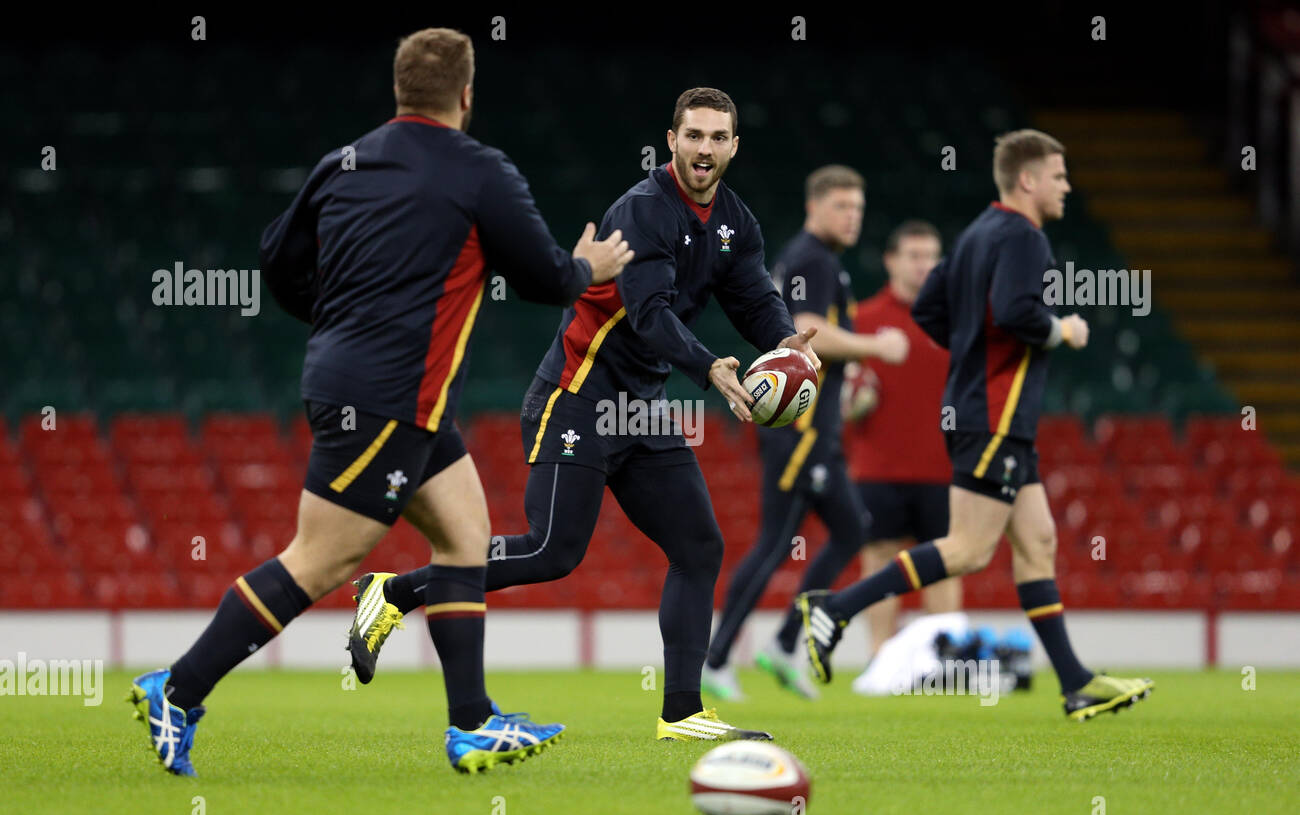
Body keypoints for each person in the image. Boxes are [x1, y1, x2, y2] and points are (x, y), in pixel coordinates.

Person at [128, 26, 633, 775]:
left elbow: (278, 258)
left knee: (465, 535)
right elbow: (546, 279)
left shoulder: (344, 162)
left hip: (384, 393)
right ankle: (179, 685)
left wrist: (339, 322)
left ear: (399, 91)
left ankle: (473, 723)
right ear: (467, 94)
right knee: (322, 559)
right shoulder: (480, 170)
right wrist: (589, 263)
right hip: (387, 397)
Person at [351, 87, 821, 741]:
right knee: (552, 550)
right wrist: (710, 366)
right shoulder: (643, 211)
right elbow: (650, 313)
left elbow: (751, 296)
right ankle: (395, 592)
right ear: (672, 140)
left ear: (733, 146)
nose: (705, 149)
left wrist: (784, 340)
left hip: (642, 407)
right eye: (694, 136)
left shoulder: (735, 221)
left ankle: (682, 711)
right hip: (577, 395)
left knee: (698, 544)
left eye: (718, 137)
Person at [797, 129, 1154, 721]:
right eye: (1059, 176)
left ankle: (1075, 684)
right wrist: (1061, 329)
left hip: (988, 412)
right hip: (994, 416)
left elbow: (932, 310)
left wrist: (967, 355)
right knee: (966, 550)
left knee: (1037, 543)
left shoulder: (974, 235)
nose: (1067, 187)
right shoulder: (1025, 238)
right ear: (1027, 179)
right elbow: (1017, 313)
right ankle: (834, 608)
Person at [700, 166, 908, 702]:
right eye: (841, 206)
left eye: (858, 208)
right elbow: (808, 325)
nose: (852, 217)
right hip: (802, 430)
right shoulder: (812, 258)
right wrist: (875, 348)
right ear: (814, 207)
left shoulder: (824, 262)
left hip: (822, 431)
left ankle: (786, 642)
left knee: (852, 529)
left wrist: (852, 376)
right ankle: (717, 659)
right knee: (775, 539)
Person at [843, 220, 964, 691]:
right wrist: (850, 401)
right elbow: (834, 395)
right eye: (914, 255)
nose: (924, 265)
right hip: (877, 468)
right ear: (891, 260)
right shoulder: (862, 319)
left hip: (943, 467)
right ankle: (880, 660)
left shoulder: (957, 319)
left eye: (932, 256)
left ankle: (949, 663)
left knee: (947, 562)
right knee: (879, 563)